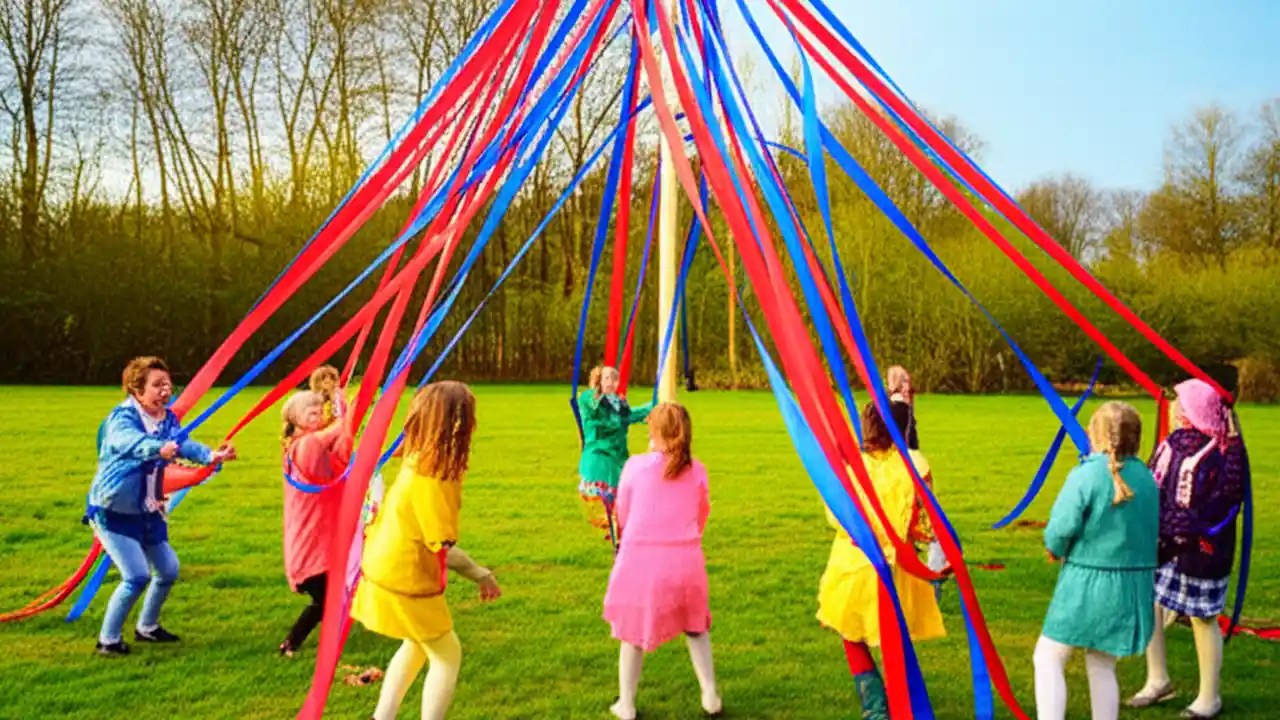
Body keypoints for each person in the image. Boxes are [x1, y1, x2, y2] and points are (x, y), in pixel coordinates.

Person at [352, 381, 502, 720]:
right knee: (448, 653)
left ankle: (382, 716)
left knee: (418, 643)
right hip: (405, 574)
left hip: (382, 563)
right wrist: (482, 574)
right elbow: (442, 546)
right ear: (458, 423)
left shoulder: (419, 453)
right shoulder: (436, 474)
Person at [85, 356, 236, 656]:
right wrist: (157, 447)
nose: (165, 390)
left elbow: (183, 443)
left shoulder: (167, 419)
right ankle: (108, 640)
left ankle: (148, 628)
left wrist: (210, 456)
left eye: (168, 384)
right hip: (113, 510)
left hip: (147, 508)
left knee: (168, 570)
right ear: (136, 391)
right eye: (157, 385)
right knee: (136, 576)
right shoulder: (122, 417)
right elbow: (125, 442)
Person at [1128, 379, 1248, 719]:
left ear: (1199, 407)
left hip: (1202, 549)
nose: (1175, 408)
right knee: (1150, 602)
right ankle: (1157, 679)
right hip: (1164, 544)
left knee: (1201, 616)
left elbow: (1229, 495)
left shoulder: (1225, 450)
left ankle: (1209, 697)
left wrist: (1191, 526)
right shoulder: (1170, 444)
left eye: (1182, 402)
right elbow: (1155, 484)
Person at [816, 403, 944, 719]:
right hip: (899, 567)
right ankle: (898, 702)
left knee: (850, 633)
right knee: (893, 639)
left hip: (853, 565)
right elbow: (926, 523)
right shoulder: (916, 464)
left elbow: (835, 515)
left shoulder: (850, 466)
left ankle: (875, 708)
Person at [1034, 401, 1159, 720]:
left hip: (1087, 584)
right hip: (1130, 584)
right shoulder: (1147, 479)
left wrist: (1055, 547)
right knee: (1102, 663)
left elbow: (1062, 526)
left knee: (1048, 656)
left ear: (1096, 435)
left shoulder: (1086, 475)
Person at [602, 403, 720, 719]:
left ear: (654, 431)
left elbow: (623, 512)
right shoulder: (698, 469)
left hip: (641, 560)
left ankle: (626, 703)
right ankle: (709, 692)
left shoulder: (635, 466)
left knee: (632, 633)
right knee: (696, 627)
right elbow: (701, 512)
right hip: (686, 560)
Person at [278, 390, 353, 657]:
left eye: (319, 408)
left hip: (322, 538)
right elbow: (334, 433)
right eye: (309, 409)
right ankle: (294, 643)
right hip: (309, 542)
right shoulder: (305, 445)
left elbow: (344, 448)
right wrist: (349, 411)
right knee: (329, 599)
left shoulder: (316, 444)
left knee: (333, 598)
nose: (317, 411)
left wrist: (348, 419)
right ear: (295, 419)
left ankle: (303, 643)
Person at [577, 365, 653, 542]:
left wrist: (656, 403)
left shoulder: (619, 406)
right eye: (606, 378)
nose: (610, 382)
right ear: (599, 381)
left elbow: (634, 414)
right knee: (608, 495)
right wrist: (596, 397)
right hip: (599, 457)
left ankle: (619, 532)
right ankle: (616, 529)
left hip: (618, 459)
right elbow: (588, 404)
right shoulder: (590, 400)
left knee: (624, 497)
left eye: (614, 378)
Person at [886, 366, 919, 451]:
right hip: (903, 451)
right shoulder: (903, 408)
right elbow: (909, 435)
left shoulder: (886, 405)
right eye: (905, 381)